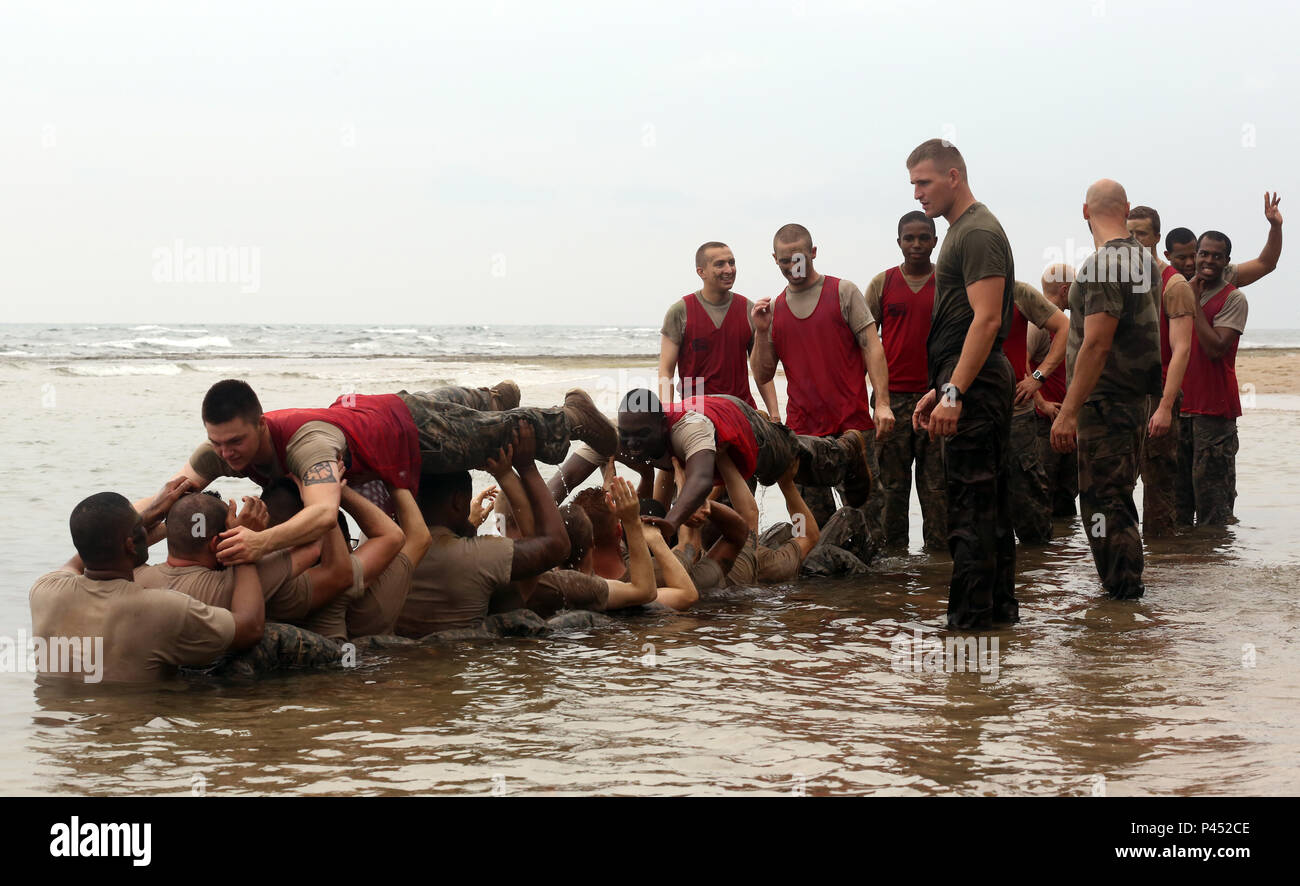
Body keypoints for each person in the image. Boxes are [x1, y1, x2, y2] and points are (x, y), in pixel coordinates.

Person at [146, 379, 616, 566]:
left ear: (261, 424)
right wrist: (144, 523)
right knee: (470, 411)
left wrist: (261, 541)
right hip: (369, 413)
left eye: (237, 443)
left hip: (407, 431)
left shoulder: (309, 446)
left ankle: (571, 414)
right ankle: (488, 398)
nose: (227, 454)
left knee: (502, 437)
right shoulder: (218, 449)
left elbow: (323, 515)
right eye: (218, 443)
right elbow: (159, 501)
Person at [906, 138, 1018, 630]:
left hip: (977, 384)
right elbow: (964, 321)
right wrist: (942, 387)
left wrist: (955, 391)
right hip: (967, 379)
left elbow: (988, 320)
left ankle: (969, 633)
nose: (917, 195)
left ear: (954, 176)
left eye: (924, 182)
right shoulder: (960, 231)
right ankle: (995, 622)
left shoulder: (976, 232)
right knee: (985, 510)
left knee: (971, 514)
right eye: (913, 184)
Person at [29, 484, 263, 683]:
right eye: (141, 525)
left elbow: (82, 555)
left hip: (59, 727)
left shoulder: (45, 590)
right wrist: (242, 545)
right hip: (129, 726)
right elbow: (250, 627)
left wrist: (143, 519)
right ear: (130, 545)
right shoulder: (162, 608)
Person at [1051, 180, 1161, 600]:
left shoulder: (1102, 264)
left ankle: (1123, 600)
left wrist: (1067, 412)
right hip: (1132, 398)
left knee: (1104, 503)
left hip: (1106, 400)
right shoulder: (1142, 258)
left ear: (1084, 212)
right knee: (1118, 499)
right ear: (1127, 207)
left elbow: (1096, 343)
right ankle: (1126, 597)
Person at [750, 223, 893, 534]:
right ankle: (824, 584)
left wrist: (881, 402)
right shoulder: (774, 310)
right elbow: (762, 373)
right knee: (813, 526)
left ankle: (878, 584)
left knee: (868, 517)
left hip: (852, 428)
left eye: (798, 258)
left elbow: (872, 347)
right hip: (803, 434)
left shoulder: (843, 292)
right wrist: (761, 332)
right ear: (775, 259)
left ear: (813, 253)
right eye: (785, 260)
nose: (792, 266)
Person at [614, 389, 872, 542]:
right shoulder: (634, 431)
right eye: (626, 436)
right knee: (788, 469)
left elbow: (699, 485)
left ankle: (845, 449)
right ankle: (769, 430)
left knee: (791, 458)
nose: (632, 442)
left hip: (725, 419)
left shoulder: (695, 558)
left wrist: (673, 519)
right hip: (712, 422)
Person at [395, 421, 571, 637]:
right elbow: (555, 546)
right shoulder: (478, 558)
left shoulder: (386, 551)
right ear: (459, 502)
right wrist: (524, 468)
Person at [133, 490, 353, 624]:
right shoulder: (235, 584)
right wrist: (252, 538)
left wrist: (164, 517)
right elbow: (313, 546)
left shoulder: (133, 578)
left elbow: (117, 545)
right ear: (217, 544)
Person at [863, 211, 947, 551]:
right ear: (898, 242)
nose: (916, 244)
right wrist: (872, 398)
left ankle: (938, 566)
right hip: (892, 400)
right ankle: (891, 566)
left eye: (923, 237)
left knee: (938, 488)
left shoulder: (948, 282)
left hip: (936, 399)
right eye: (909, 238)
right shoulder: (882, 283)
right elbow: (865, 341)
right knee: (890, 489)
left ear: (934, 242)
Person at [1126, 205, 1196, 536]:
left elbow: (1182, 348)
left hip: (1159, 395)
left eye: (1141, 233)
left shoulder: (1174, 284)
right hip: (1125, 396)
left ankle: (1164, 569)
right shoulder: (1121, 278)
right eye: (1129, 233)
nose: (1134, 239)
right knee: (1117, 485)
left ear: (1155, 238)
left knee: (1159, 490)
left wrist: (1166, 407)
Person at [1177, 230, 1250, 525]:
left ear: (1226, 262)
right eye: (1203, 254)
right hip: (1179, 409)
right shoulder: (1178, 291)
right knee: (1178, 506)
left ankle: (1218, 569)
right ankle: (1182, 568)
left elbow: (1215, 349)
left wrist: (1193, 303)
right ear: (1195, 256)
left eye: (1216, 256)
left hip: (1214, 412)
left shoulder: (1233, 298)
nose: (1208, 260)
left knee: (1214, 509)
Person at [659, 241, 780, 415]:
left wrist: (775, 416)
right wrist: (667, 414)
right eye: (720, 264)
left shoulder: (749, 310)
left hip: (742, 411)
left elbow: (761, 371)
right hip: (696, 414)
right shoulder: (680, 312)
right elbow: (666, 370)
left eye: (731, 262)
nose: (729, 269)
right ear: (701, 272)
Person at [1002, 280, 1068, 543]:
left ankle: (1041, 566)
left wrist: (1036, 380)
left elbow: (1065, 328)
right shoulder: (955, 289)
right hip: (977, 412)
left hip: (1024, 414)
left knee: (1034, 494)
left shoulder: (1020, 294)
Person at [1029, 265, 1079, 517]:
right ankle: (1043, 552)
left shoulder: (1065, 324)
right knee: (1044, 487)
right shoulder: (1038, 324)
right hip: (1043, 421)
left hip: (1065, 418)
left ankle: (1065, 550)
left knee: (1067, 491)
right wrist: (1042, 403)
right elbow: (1021, 364)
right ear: (1065, 289)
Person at [1163, 192, 1282, 289]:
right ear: (1168, 255)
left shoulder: (1220, 274)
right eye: (1182, 258)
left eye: (1193, 256)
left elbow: (1265, 264)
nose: (1189, 263)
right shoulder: (1157, 282)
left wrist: (1275, 227)